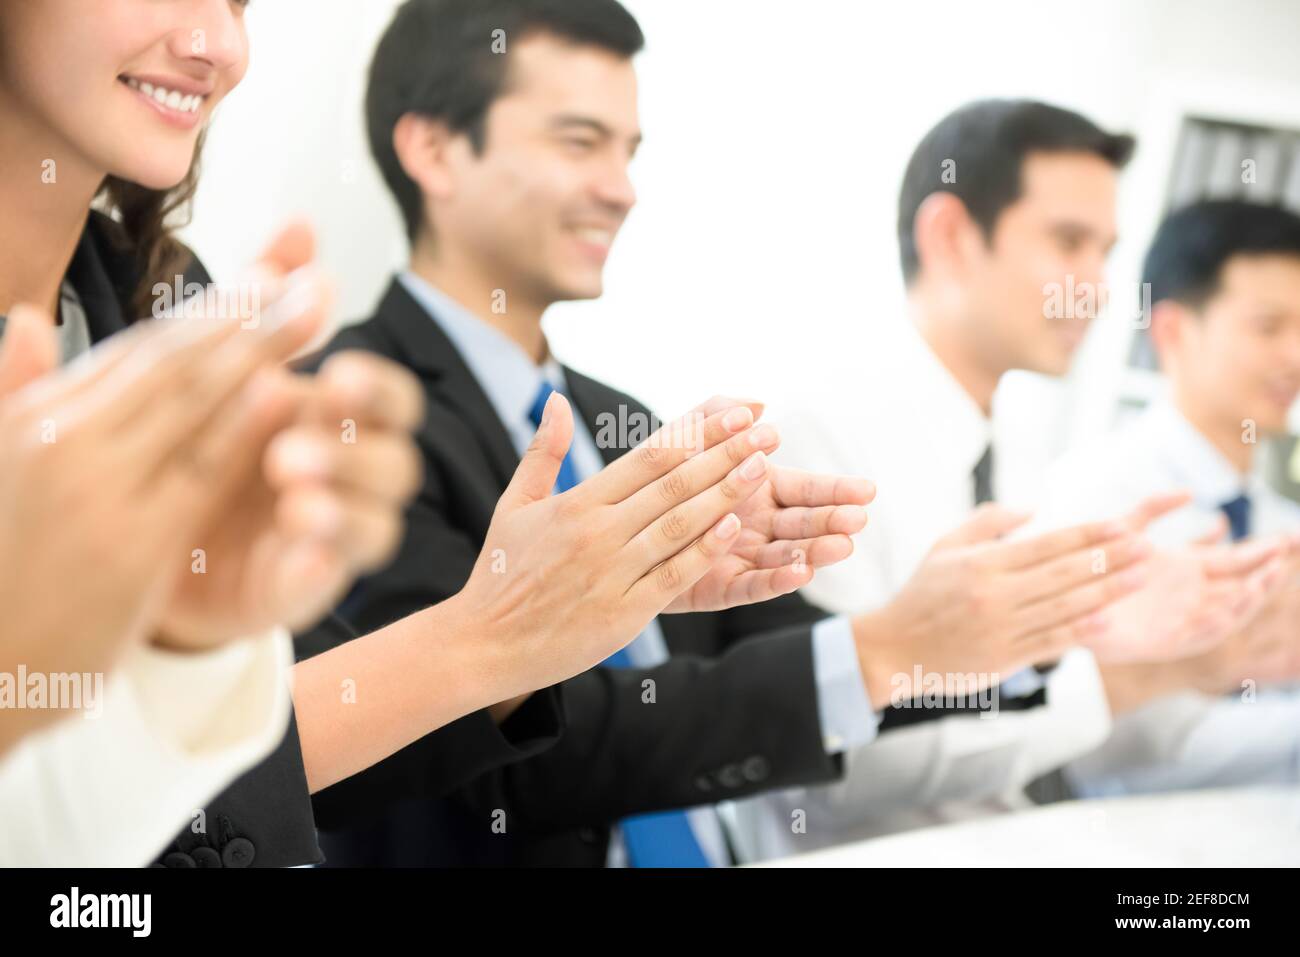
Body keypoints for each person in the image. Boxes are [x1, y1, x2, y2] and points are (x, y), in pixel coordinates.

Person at [303, 0, 1163, 868]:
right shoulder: (350, 415)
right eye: (579, 142)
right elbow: (492, 757)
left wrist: (988, 634)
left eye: (629, 150)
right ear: (434, 150)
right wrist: (889, 646)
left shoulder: (614, 416)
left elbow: (776, 650)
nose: (622, 186)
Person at [0, 0, 819, 867]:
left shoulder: (171, 311)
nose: (219, 44)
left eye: (241, 2)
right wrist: (499, 632)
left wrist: (531, 618)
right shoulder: (352, 386)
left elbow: (281, 720)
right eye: (578, 141)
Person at [729, 100, 1289, 862]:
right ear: (951, 237)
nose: (1094, 289)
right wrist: (1142, 673)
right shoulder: (811, 438)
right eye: (1068, 243)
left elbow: (1004, 705)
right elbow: (824, 768)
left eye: (1106, 252)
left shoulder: (1017, 450)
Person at [1035, 200, 1300, 795]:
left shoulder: (1282, 521)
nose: (1296, 355)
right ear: (1175, 330)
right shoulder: (1098, 495)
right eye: (1269, 327)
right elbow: (1121, 747)